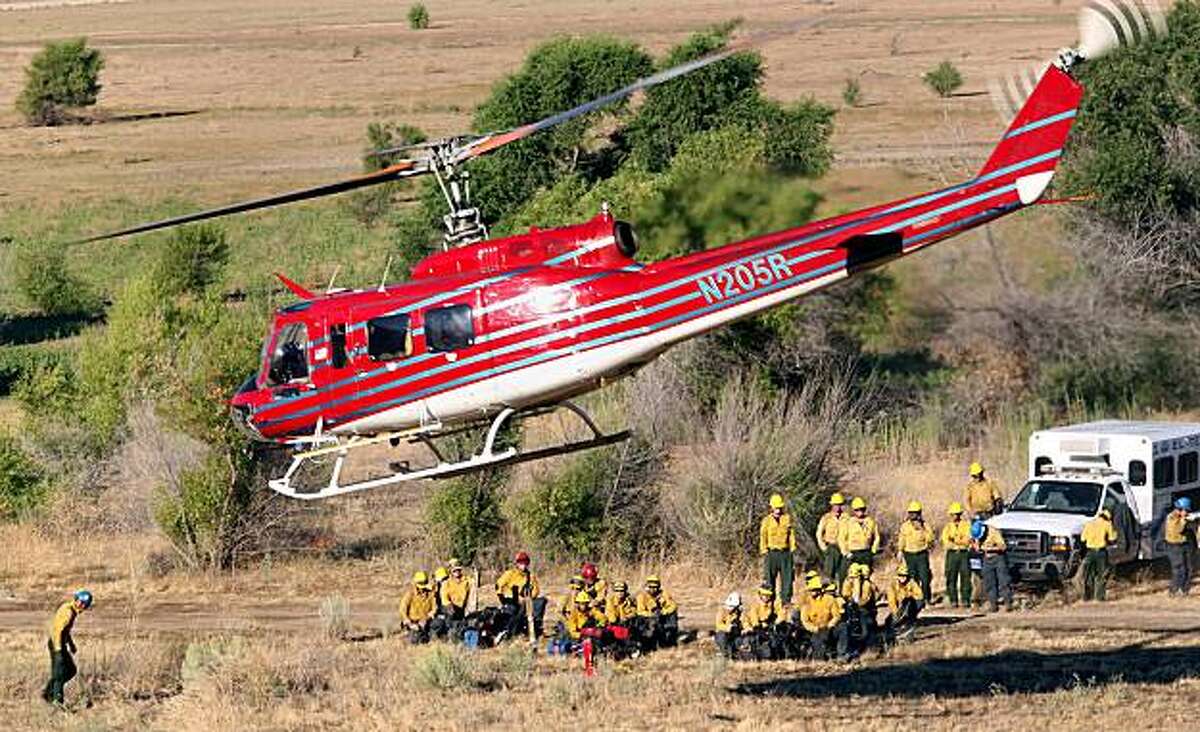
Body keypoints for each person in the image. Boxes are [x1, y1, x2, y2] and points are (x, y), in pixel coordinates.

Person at [42, 589, 92, 707]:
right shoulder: (68, 612)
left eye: (85, 604)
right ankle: (57, 702)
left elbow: (65, 630)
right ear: (76, 600)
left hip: (60, 644)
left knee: (70, 670)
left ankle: (48, 692)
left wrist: (71, 644)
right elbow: (58, 630)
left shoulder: (69, 609)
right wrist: (59, 650)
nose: (82, 606)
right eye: (81, 602)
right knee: (60, 673)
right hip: (56, 644)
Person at [495, 551, 547, 640]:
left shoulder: (530, 576)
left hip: (525, 601)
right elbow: (498, 585)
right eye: (521, 562)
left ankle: (535, 627)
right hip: (511, 601)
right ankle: (508, 632)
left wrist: (529, 596)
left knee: (541, 601)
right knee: (512, 611)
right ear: (517, 563)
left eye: (525, 562)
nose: (523, 564)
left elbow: (536, 590)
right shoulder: (510, 574)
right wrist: (505, 597)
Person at [760, 493, 797, 604]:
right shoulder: (766, 521)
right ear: (771, 507)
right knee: (769, 579)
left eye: (780, 507)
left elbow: (791, 534)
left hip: (785, 553)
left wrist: (792, 548)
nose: (778, 510)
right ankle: (770, 603)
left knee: (787, 579)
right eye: (776, 507)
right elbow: (763, 536)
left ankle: (786, 602)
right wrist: (764, 551)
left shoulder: (787, 519)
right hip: (771, 553)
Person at [801, 580, 851, 661]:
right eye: (810, 590)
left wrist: (830, 625)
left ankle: (842, 654)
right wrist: (814, 629)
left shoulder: (829, 600)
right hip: (816, 630)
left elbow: (836, 616)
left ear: (819, 590)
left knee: (843, 627)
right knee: (819, 656)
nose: (811, 592)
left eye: (813, 590)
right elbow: (805, 621)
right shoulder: (806, 602)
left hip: (829, 628)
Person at [897, 500, 935, 603]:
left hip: (921, 554)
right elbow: (901, 539)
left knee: (925, 577)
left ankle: (927, 598)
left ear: (919, 514)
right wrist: (900, 551)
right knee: (913, 578)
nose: (913, 515)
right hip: (909, 554)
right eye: (911, 513)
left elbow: (931, 539)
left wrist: (922, 528)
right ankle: (915, 599)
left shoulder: (925, 525)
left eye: (916, 513)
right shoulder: (905, 526)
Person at [974, 520, 1013, 612]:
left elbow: (1003, 546)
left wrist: (991, 548)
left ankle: (1008, 603)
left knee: (1003, 580)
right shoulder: (976, 533)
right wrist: (977, 548)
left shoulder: (994, 532)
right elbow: (975, 545)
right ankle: (993, 604)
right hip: (986, 559)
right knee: (989, 582)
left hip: (998, 558)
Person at [1081, 508, 1118, 601]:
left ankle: (1087, 597)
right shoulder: (1107, 524)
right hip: (1101, 552)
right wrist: (1116, 533)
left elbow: (1083, 539)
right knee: (1102, 575)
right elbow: (1112, 538)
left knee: (1088, 575)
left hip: (1089, 552)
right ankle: (1100, 597)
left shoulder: (1089, 524)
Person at [941, 502, 973, 608]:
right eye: (952, 514)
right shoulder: (947, 527)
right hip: (952, 554)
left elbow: (968, 540)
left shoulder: (967, 525)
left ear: (959, 514)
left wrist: (955, 540)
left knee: (966, 577)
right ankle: (953, 600)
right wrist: (959, 540)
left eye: (956, 514)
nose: (954, 516)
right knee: (951, 577)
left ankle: (966, 599)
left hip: (964, 554)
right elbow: (946, 542)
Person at [840, 563, 879, 650]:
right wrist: (850, 600)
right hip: (851, 608)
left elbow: (865, 600)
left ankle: (871, 647)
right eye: (851, 577)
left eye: (855, 577)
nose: (852, 579)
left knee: (867, 624)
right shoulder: (847, 582)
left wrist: (857, 589)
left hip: (864, 609)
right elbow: (845, 594)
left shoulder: (866, 584)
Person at [635, 575, 679, 650]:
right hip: (647, 619)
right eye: (651, 587)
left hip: (661, 617)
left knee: (672, 615)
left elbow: (673, 606)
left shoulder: (663, 594)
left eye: (655, 587)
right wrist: (651, 615)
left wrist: (664, 611)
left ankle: (670, 638)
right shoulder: (642, 596)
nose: (653, 589)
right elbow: (640, 611)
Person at [1163, 497, 1196, 596]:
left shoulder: (1182, 517)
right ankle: (1174, 591)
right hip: (1174, 546)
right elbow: (1177, 530)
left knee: (1188, 568)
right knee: (1179, 569)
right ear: (1181, 509)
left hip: (1184, 544)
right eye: (1186, 510)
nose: (1187, 512)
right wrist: (1183, 519)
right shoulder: (1171, 517)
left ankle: (1184, 590)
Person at [743, 585, 787, 660]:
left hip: (769, 628)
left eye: (768, 595)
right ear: (760, 595)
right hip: (756, 630)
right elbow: (755, 622)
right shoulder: (755, 605)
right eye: (764, 595)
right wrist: (762, 626)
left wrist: (776, 623)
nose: (766, 597)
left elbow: (782, 614)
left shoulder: (774, 603)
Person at [838, 497, 881, 571]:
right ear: (854, 510)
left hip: (866, 552)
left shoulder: (871, 522)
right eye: (857, 510)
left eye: (862, 509)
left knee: (866, 572)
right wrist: (846, 553)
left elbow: (877, 537)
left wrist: (873, 550)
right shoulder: (848, 522)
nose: (860, 512)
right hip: (853, 553)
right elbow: (841, 539)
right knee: (854, 573)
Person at [884, 566, 924, 642]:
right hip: (898, 607)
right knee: (890, 622)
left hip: (909, 606)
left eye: (905, 576)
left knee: (910, 601)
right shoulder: (892, 585)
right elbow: (891, 601)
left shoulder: (911, 582)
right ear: (897, 576)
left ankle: (909, 629)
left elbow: (920, 595)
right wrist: (896, 613)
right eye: (901, 575)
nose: (903, 578)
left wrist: (909, 594)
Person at [816, 493, 847, 584]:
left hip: (843, 549)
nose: (838, 507)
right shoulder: (826, 518)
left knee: (843, 574)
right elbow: (819, 533)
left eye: (840, 505)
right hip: (831, 548)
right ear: (832, 505)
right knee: (829, 574)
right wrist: (824, 548)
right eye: (836, 505)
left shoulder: (847, 518)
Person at [398, 571, 437, 643]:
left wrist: (426, 619)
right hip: (412, 622)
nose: (422, 588)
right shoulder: (409, 594)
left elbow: (434, 609)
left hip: (426, 621)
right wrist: (410, 623)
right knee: (414, 639)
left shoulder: (431, 594)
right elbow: (402, 609)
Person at [714, 592, 743, 658]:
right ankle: (724, 652)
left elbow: (743, 622)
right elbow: (718, 625)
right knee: (722, 636)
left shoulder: (738, 612)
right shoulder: (721, 611)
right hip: (723, 634)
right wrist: (728, 628)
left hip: (735, 634)